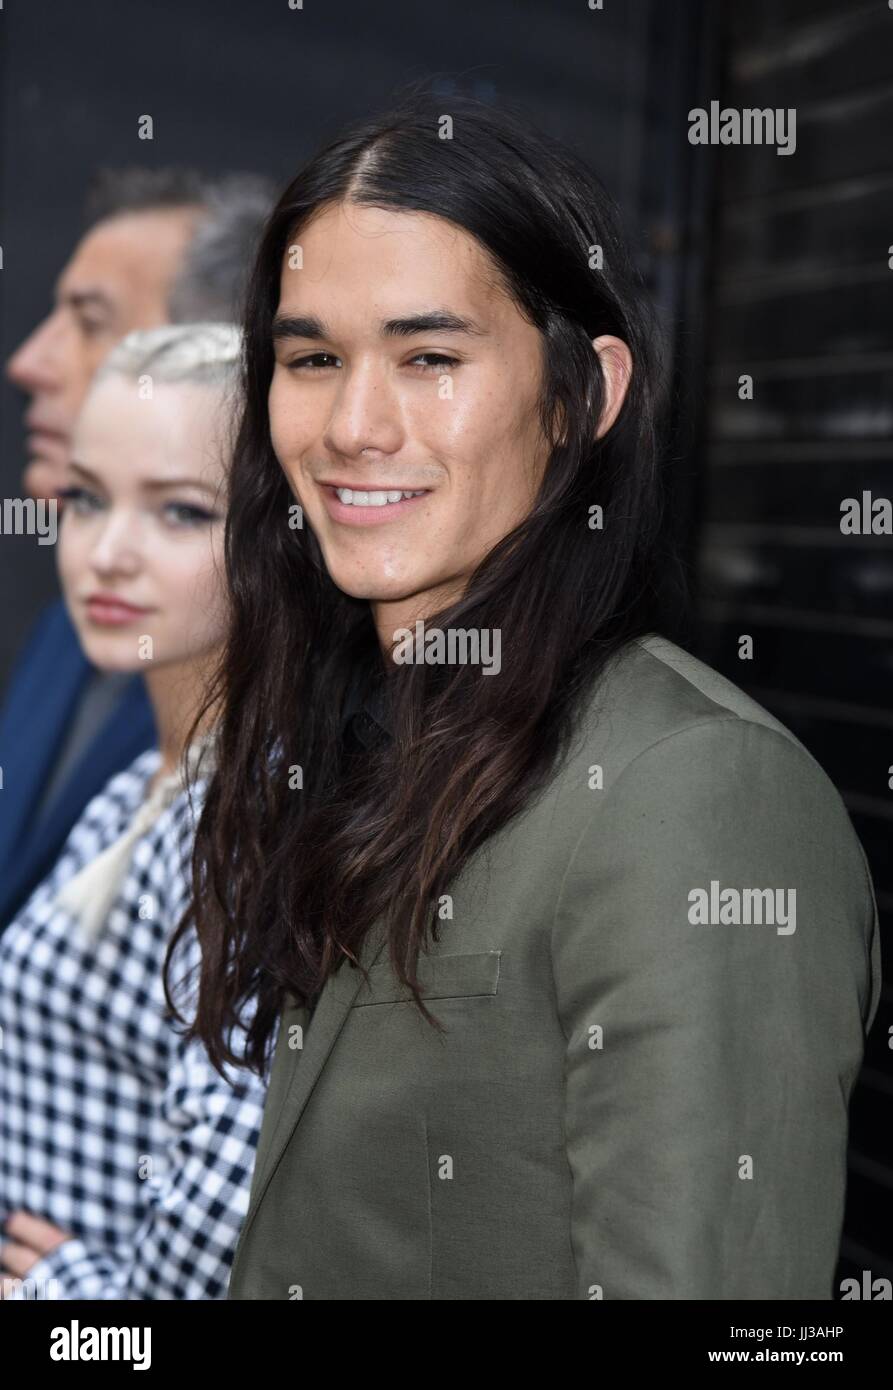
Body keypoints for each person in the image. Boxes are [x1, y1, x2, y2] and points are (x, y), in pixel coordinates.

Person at [170, 89, 881, 1301]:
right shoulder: (348, 736)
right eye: (312, 359)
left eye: (430, 357)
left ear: (582, 396)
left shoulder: (693, 790)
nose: (353, 423)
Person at [0, 323, 267, 1300]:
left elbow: (240, 1182)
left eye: (182, 512)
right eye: (85, 498)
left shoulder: (238, 813)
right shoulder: (152, 780)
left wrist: (74, 1300)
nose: (107, 552)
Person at [0, 169, 274, 933]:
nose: (29, 362)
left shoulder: (283, 762)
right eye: (90, 502)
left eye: (90, 322)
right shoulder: (70, 625)